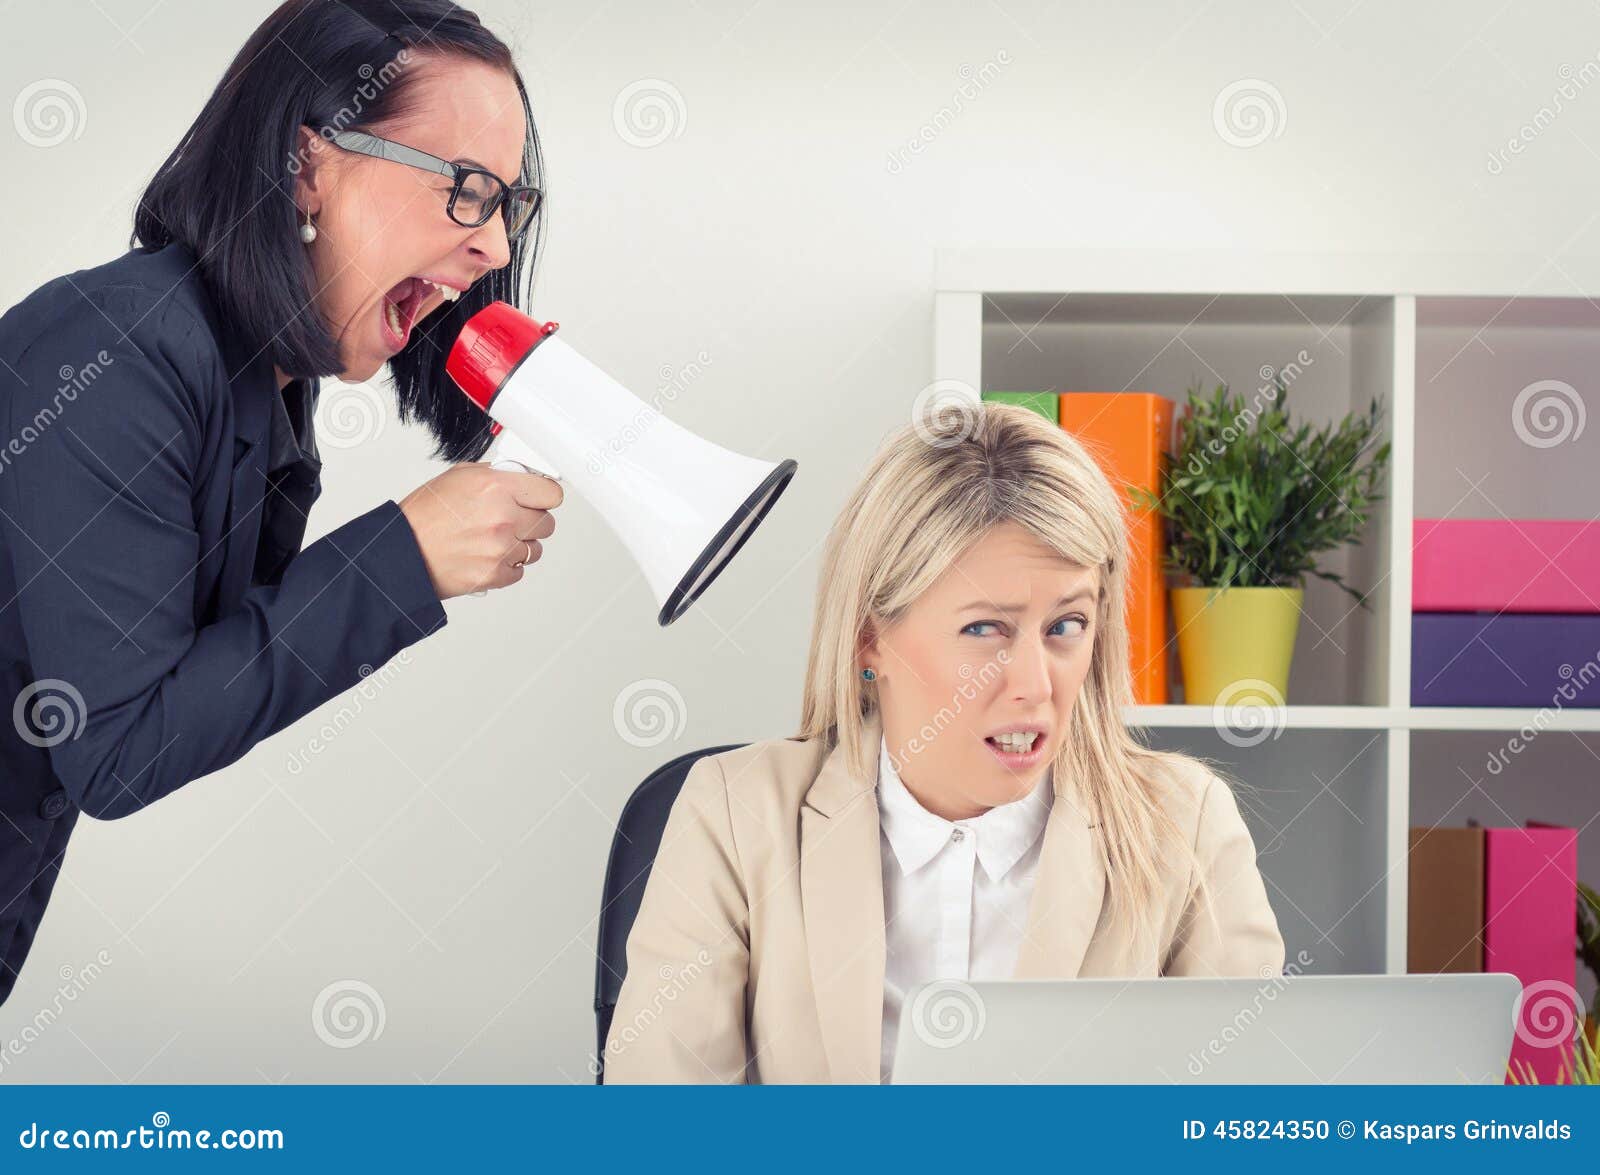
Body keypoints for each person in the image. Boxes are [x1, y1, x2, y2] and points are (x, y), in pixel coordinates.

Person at [0, 0, 560, 1006]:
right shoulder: (116, 350)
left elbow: (189, 681)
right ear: (309, 164)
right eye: (466, 190)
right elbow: (119, 745)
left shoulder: (258, 389)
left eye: (506, 204)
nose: (490, 249)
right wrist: (401, 557)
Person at [602, 401, 1285, 1083]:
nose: (1034, 684)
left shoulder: (1185, 823)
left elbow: (1252, 1122)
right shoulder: (736, 813)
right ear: (872, 638)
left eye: (1066, 625)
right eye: (986, 629)